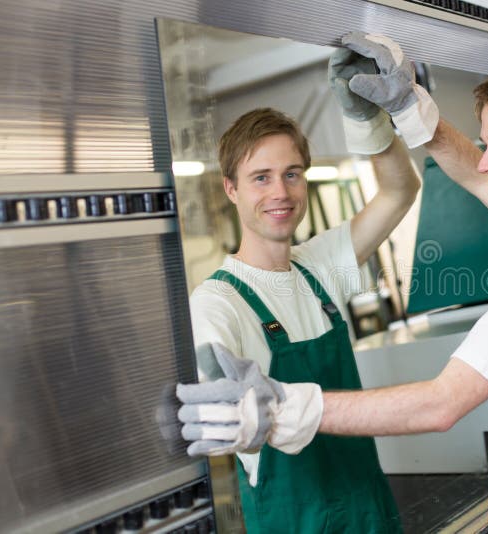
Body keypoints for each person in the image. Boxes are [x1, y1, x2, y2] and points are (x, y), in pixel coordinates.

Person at [178, 33, 488, 533]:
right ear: (229, 188)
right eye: (260, 177)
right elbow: (478, 178)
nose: (487, 160)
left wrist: (279, 409)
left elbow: (440, 403)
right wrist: (410, 108)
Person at [179, 49, 422, 533]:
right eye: (260, 178)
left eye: (292, 174)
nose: (280, 193)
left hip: (369, 513)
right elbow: (222, 415)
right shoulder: (216, 302)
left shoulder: (318, 267)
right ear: (231, 189)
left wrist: (367, 119)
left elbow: (400, 189)